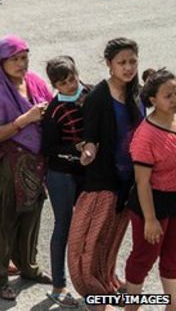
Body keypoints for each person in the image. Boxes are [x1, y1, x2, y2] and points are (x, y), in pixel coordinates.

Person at [0, 35, 53, 301]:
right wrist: (25, 119)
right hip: (10, 163)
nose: (21, 64)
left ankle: (28, 267)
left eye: (24, 58)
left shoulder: (34, 81)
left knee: (31, 218)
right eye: (14, 59)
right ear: (1, 62)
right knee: (2, 222)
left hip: (36, 163)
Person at [69, 38, 144, 304]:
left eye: (132, 61)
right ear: (109, 64)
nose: (128, 67)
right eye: (122, 62)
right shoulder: (99, 97)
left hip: (129, 182)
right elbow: (90, 135)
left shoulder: (137, 91)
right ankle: (92, 292)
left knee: (112, 239)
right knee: (91, 242)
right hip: (104, 180)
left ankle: (107, 279)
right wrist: (88, 150)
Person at [124, 69, 176, 310]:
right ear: (153, 100)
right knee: (144, 258)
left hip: (174, 200)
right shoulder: (145, 136)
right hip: (152, 203)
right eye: (169, 95)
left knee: (173, 258)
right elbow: (142, 182)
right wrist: (151, 219)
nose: (175, 98)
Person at [41, 56, 89, 309]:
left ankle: (96, 279)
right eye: (63, 83)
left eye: (72, 79)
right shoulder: (55, 110)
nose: (71, 86)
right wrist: (74, 147)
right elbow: (47, 147)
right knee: (64, 226)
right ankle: (58, 286)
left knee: (91, 225)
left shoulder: (90, 93)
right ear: (55, 86)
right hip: (61, 174)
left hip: (87, 173)